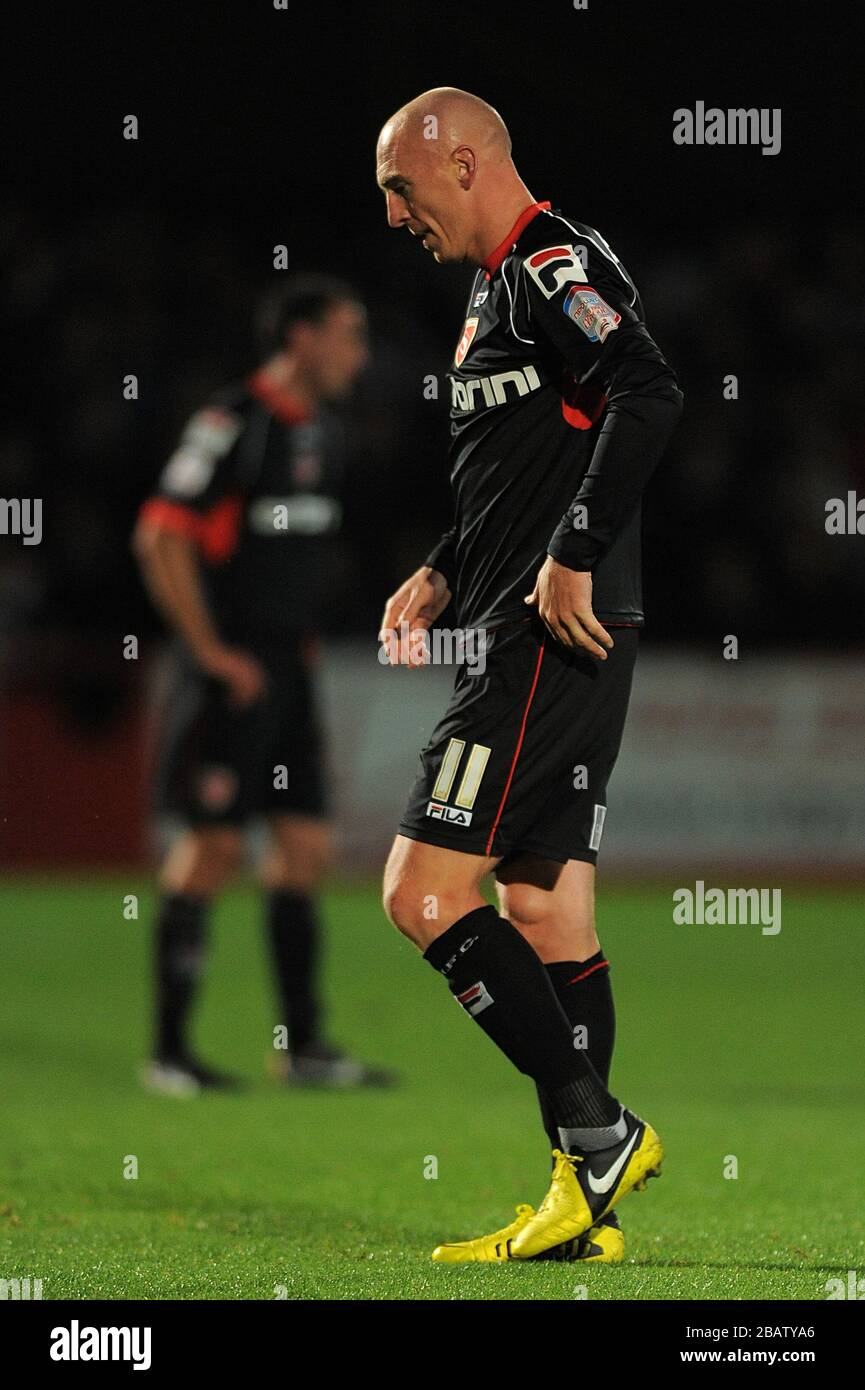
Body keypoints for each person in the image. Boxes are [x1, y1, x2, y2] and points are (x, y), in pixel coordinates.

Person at [376, 88, 683, 1261]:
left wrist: (573, 552)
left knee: (422, 894)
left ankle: (595, 1132)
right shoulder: (494, 285)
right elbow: (527, 457)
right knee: (545, 909)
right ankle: (581, 1201)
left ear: (460, 161)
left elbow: (647, 390)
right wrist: (447, 565)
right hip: (523, 612)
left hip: (547, 634)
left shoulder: (551, 262)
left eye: (403, 190)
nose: (397, 215)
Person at [133, 274, 392, 1093]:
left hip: (289, 670)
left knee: (304, 848)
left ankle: (302, 1047)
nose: (360, 352)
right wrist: (209, 651)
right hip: (231, 673)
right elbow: (160, 536)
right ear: (302, 338)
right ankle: (170, 1054)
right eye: (348, 333)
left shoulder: (325, 431)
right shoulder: (232, 425)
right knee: (209, 848)